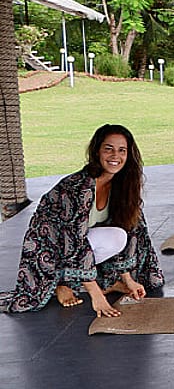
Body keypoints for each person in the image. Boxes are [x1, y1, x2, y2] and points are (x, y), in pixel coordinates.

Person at [0, 124, 164, 316]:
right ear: (97, 151)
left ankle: (100, 282)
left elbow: (131, 230)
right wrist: (97, 297)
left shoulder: (121, 185)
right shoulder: (78, 188)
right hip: (49, 249)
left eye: (122, 150)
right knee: (82, 245)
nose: (115, 156)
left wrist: (128, 280)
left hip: (79, 244)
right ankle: (61, 284)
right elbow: (73, 243)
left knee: (119, 235)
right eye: (108, 149)